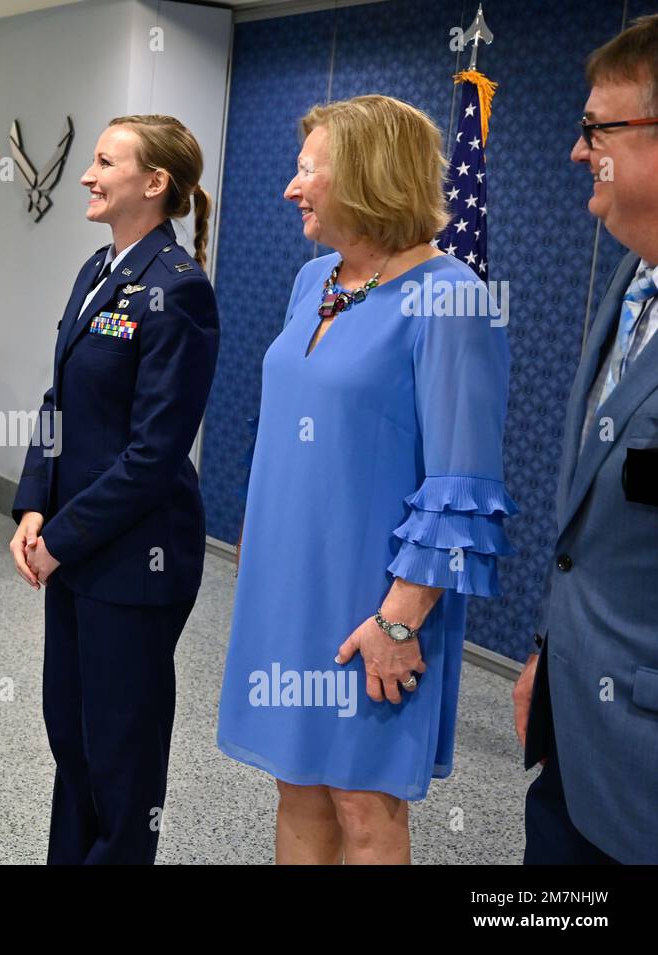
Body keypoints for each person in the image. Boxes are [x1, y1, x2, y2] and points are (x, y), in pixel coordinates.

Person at [216, 95, 515, 864]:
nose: (291, 186)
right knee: (295, 782)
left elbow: (464, 487)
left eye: (309, 169)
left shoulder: (450, 298)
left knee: (363, 805)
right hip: (287, 585)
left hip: (373, 601)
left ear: (371, 177)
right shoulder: (314, 277)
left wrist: (398, 621)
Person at [9, 115, 220, 864]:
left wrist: (58, 540)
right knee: (73, 741)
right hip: (73, 551)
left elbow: (153, 455)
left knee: (121, 764)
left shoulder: (179, 291)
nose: (88, 176)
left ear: (154, 183)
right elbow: (58, 401)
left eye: (104, 162)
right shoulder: (100, 268)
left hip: (134, 562)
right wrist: (34, 502)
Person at [514, 14, 658, 866]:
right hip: (571, 737)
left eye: (594, 129)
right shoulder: (630, 285)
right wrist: (548, 653)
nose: (577, 151)